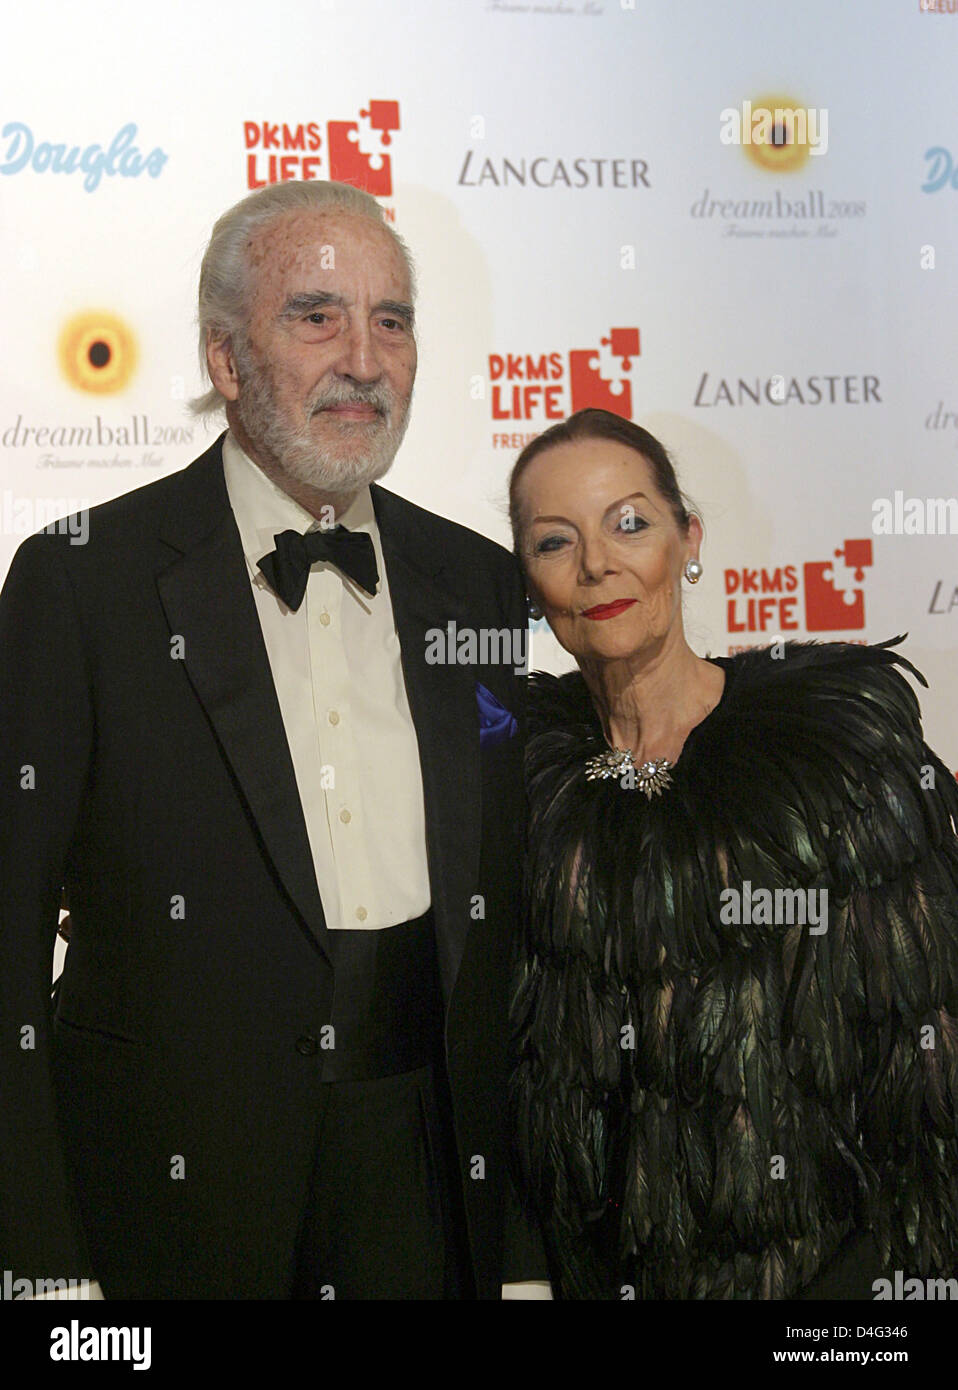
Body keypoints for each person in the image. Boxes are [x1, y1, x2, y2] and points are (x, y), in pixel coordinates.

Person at [0, 179, 536, 1299]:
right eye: (316, 315)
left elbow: (510, 946)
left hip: (425, 1177)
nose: (364, 357)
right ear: (227, 360)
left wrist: (522, 1248)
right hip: (168, 1194)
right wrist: (39, 1263)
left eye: (391, 320)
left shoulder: (479, 581)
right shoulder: (82, 580)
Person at [508, 407, 958, 1299]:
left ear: (689, 538)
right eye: (555, 542)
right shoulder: (521, 781)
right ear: (527, 582)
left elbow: (930, 1054)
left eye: (630, 523)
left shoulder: (832, 750)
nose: (599, 564)